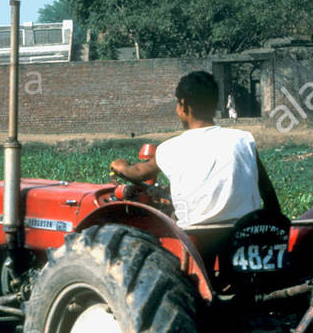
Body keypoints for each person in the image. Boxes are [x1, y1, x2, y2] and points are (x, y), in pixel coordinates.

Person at [110, 70, 279, 229]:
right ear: (215, 103)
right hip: (243, 233)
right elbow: (267, 190)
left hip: (196, 238)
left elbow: (139, 171)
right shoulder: (243, 139)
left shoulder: (170, 149)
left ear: (183, 105)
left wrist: (122, 167)